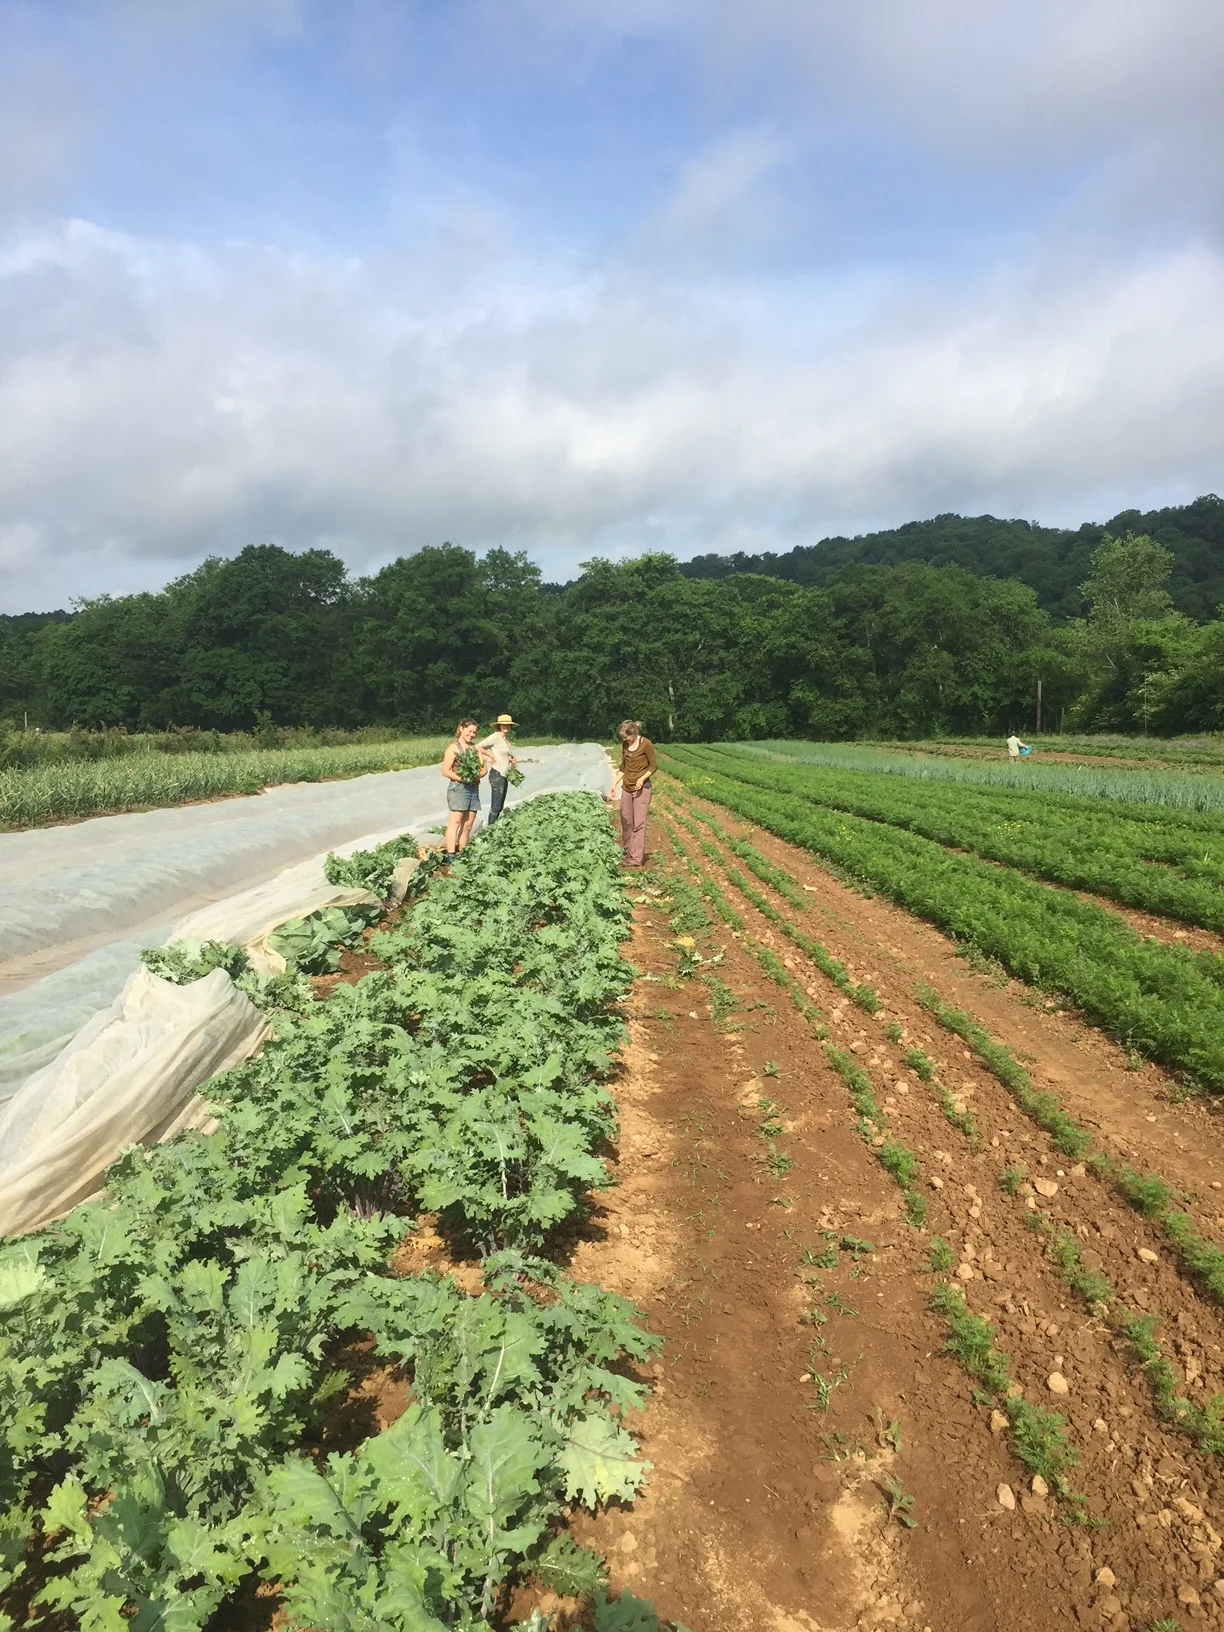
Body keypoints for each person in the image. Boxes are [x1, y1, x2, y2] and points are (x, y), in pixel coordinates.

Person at [440, 719, 486, 862]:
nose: (472, 735)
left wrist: (475, 776)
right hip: (458, 788)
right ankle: (451, 856)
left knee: (468, 825)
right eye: (469, 731)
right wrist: (463, 778)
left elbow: (484, 768)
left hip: (473, 788)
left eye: (474, 732)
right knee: (456, 821)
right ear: (461, 729)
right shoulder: (453, 748)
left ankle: (462, 854)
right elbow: (446, 771)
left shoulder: (475, 749)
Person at [614, 719, 657, 868]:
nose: (624, 740)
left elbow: (653, 766)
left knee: (638, 823)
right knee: (626, 821)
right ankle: (627, 854)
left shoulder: (646, 744)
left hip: (642, 789)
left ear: (633, 733)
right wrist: (614, 782)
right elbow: (624, 766)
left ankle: (636, 859)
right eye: (622, 738)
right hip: (627, 787)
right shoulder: (625, 744)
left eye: (626, 737)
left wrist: (642, 778)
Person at [478, 713, 519, 825]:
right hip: (497, 774)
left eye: (508, 725)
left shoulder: (505, 739)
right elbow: (478, 746)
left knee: (500, 805)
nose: (506, 727)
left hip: (504, 774)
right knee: (496, 806)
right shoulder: (495, 737)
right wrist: (491, 756)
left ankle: (495, 828)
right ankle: (490, 829)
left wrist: (511, 759)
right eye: (503, 725)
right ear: (499, 725)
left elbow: (504, 755)